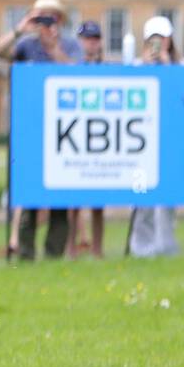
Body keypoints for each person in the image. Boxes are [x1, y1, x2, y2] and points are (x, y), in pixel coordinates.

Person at [0, 0, 81, 260]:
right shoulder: (24, 45)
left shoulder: (70, 45)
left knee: (60, 193)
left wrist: (53, 48)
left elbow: (78, 74)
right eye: (40, 17)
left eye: (51, 17)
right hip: (29, 127)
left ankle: (54, 253)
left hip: (62, 129)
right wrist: (19, 29)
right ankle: (25, 252)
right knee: (28, 191)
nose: (46, 22)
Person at [129, 15, 184, 257]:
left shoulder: (181, 66)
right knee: (142, 196)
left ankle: (165, 245)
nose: (158, 43)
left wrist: (166, 65)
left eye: (162, 38)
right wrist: (146, 64)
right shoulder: (136, 66)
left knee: (167, 197)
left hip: (169, 140)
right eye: (153, 39)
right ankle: (141, 247)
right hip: (142, 141)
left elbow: (183, 94)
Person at [68, 20, 106, 259]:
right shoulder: (72, 68)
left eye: (94, 39)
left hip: (100, 139)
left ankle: (98, 250)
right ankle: (71, 250)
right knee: (73, 201)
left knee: (98, 203)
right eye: (86, 39)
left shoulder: (106, 69)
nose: (90, 43)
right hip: (77, 137)